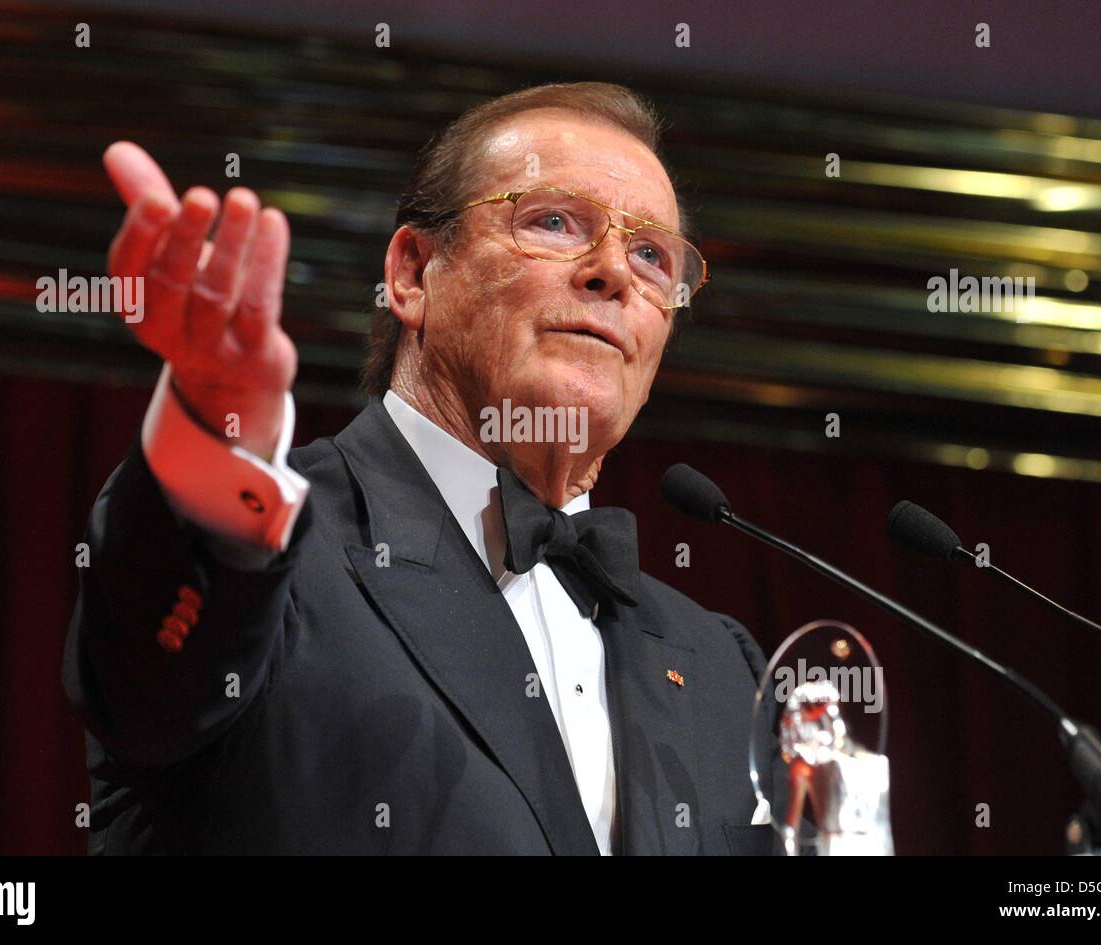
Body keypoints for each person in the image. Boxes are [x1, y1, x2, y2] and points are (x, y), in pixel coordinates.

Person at [62, 81, 780, 854]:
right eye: (553, 221)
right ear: (411, 273)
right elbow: (148, 683)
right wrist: (216, 429)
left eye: (650, 253)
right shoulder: (264, 547)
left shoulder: (718, 667)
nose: (612, 271)